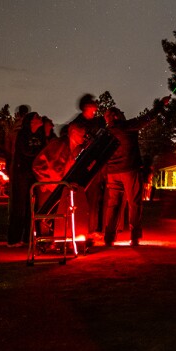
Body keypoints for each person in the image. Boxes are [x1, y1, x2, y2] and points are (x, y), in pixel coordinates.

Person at [102, 98, 169, 247]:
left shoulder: (107, 132)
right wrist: (160, 106)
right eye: (120, 112)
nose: (123, 113)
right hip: (129, 169)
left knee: (113, 205)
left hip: (112, 172)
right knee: (134, 203)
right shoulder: (126, 126)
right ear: (115, 115)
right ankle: (134, 236)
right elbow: (146, 119)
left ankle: (109, 237)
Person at [69, 94, 107, 244]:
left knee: (94, 199)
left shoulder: (98, 123)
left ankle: (92, 230)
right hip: (81, 166)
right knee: (81, 200)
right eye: (92, 105)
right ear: (86, 107)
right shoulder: (78, 124)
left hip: (95, 165)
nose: (95, 107)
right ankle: (81, 229)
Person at [8, 112, 46, 246]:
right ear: (31, 122)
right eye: (36, 117)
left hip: (34, 174)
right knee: (20, 205)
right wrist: (37, 156)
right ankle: (14, 238)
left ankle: (28, 237)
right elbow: (24, 151)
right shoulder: (23, 135)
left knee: (32, 206)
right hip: (22, 173)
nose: (39, 118)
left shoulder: (41, 134)